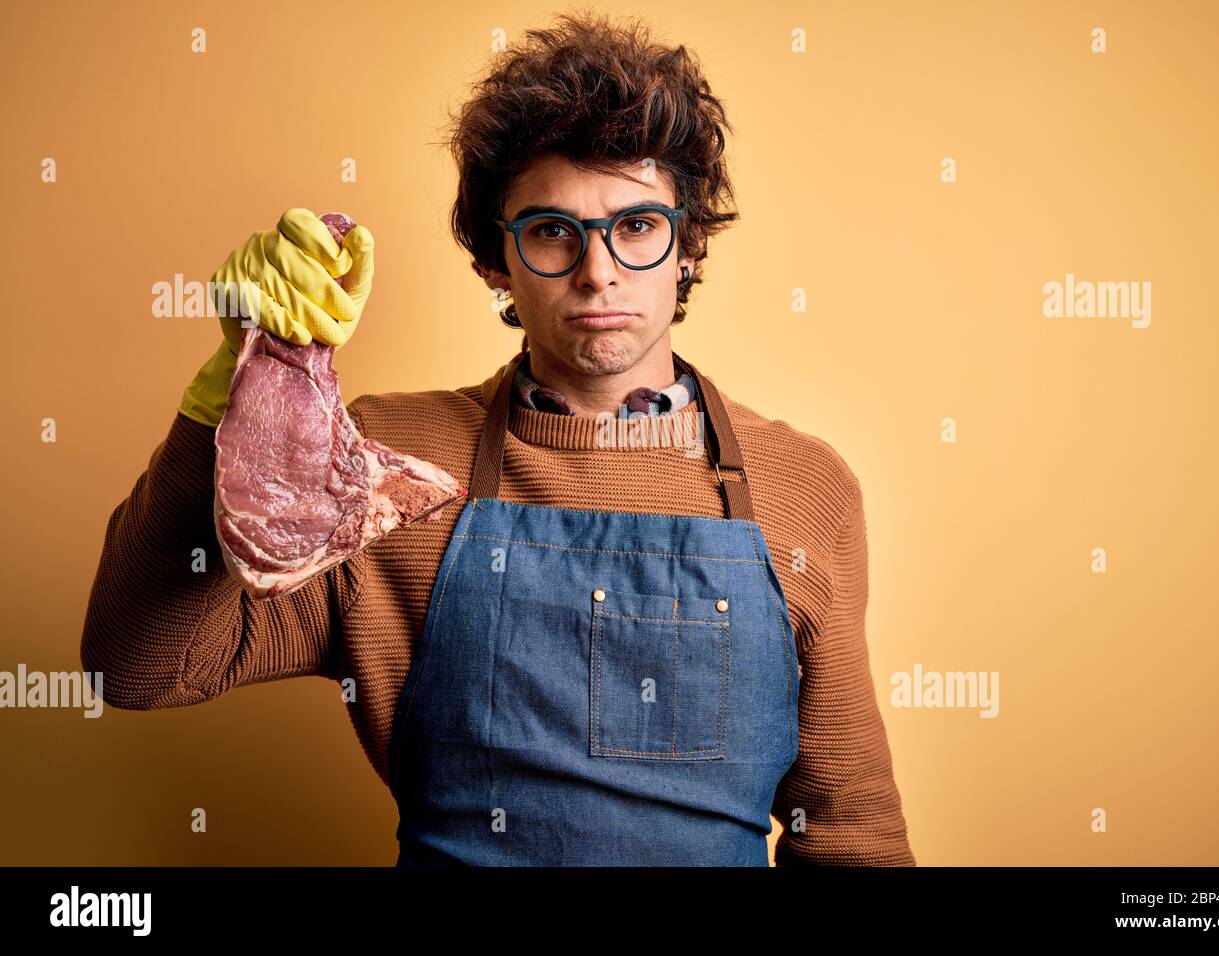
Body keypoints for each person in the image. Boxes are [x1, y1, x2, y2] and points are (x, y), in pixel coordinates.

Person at [81, 10, 915, 867]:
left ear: (689, 245)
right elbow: (140, 669)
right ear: (493, 259)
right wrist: (240, 384)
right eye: (552, 231)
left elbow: (850, 826)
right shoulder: (386, 464)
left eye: (636, 227)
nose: (599, 271)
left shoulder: (802, 485)